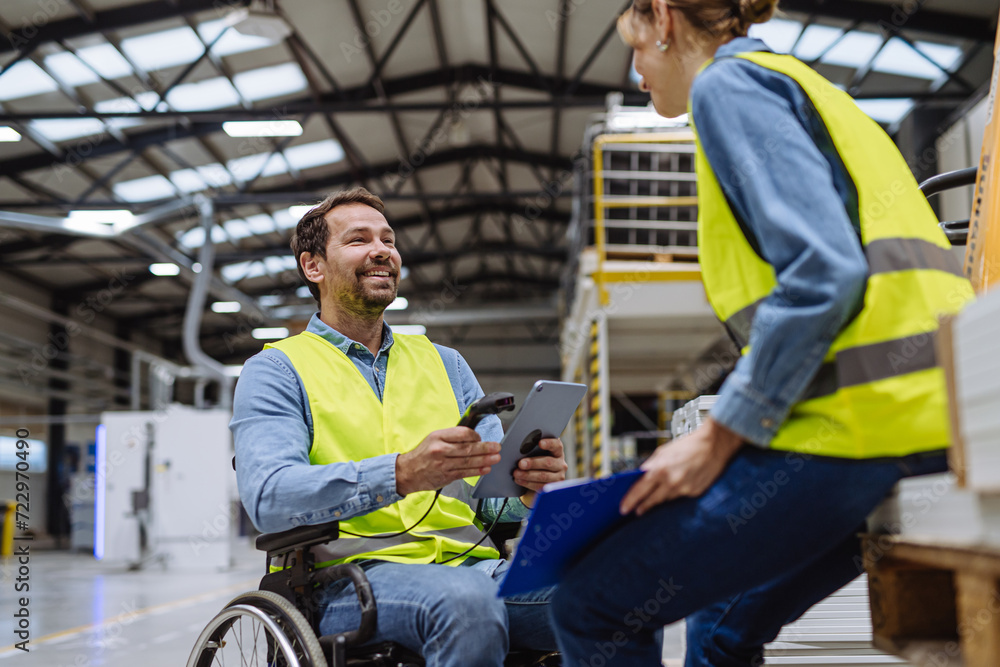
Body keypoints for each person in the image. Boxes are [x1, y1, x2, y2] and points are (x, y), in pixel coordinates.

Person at [549, 1, 976, 665]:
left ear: (664, 18)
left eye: (635, 48)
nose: (636, 74)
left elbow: (822, 272)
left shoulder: (728, 87)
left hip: (860, 430)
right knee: (719, 629)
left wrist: (719, 438)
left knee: (589, 602)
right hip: (937, 421)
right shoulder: (810, 86)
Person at [230, 186, 567, 666]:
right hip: (347, 582)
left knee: (614, 591)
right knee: (466, 605)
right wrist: (402, 473)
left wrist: (527, 487)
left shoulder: (446, 363)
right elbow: (270, 498)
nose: (381, 250)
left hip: (475, 569)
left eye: (388, 240)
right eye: (358, 240)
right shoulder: (277, 370)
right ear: (314, 266)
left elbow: (493, 508)